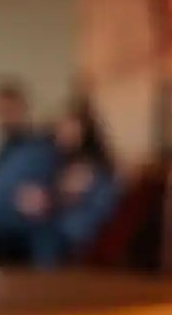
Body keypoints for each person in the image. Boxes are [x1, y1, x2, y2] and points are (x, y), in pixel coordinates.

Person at [26, 104, 121, 267]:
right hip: (53, 228)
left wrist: (63, 197)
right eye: (62, 129)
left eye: (72, 131)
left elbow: (93, 216)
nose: (64, 135)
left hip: (79, 234)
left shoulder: (96, 171)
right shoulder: (52, 159)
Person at [0, 84, 59, 261]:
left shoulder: (41, 149)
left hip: (23, 245)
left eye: (7, 110)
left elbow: (46, 200)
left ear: (22, 108)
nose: (1, 117)